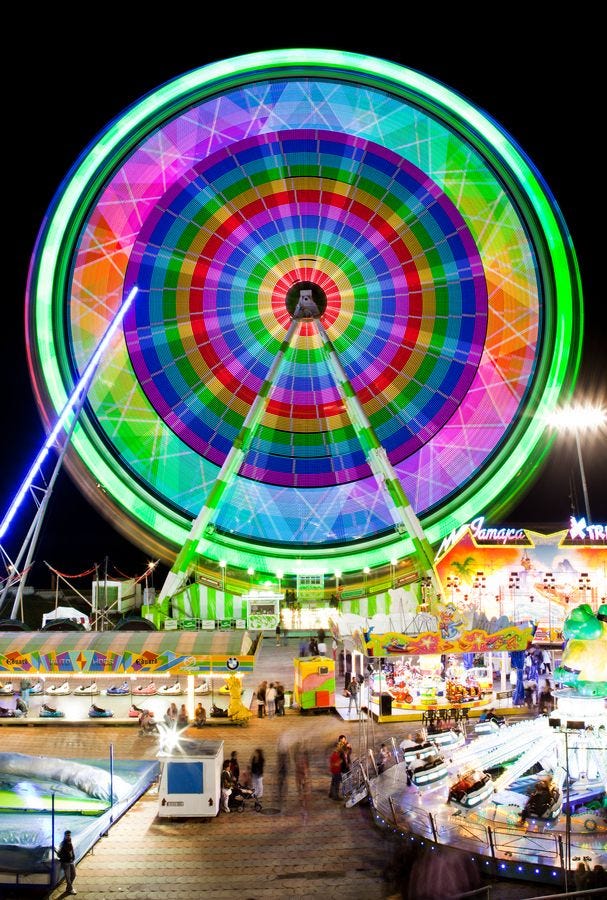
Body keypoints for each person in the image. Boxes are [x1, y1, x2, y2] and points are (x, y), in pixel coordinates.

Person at [57, 829, 77, 894]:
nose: (68, 836)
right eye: (67, 835)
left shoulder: (69, 841)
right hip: (66, 862)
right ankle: (70, 889)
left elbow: (71, 850)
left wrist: (73, 856)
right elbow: (59, 853)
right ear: (64, 836)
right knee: (68, 877)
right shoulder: (63, 843)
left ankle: (68, 888)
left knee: (74, 875)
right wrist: (64, 858)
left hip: (71, 861)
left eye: (69, 835)